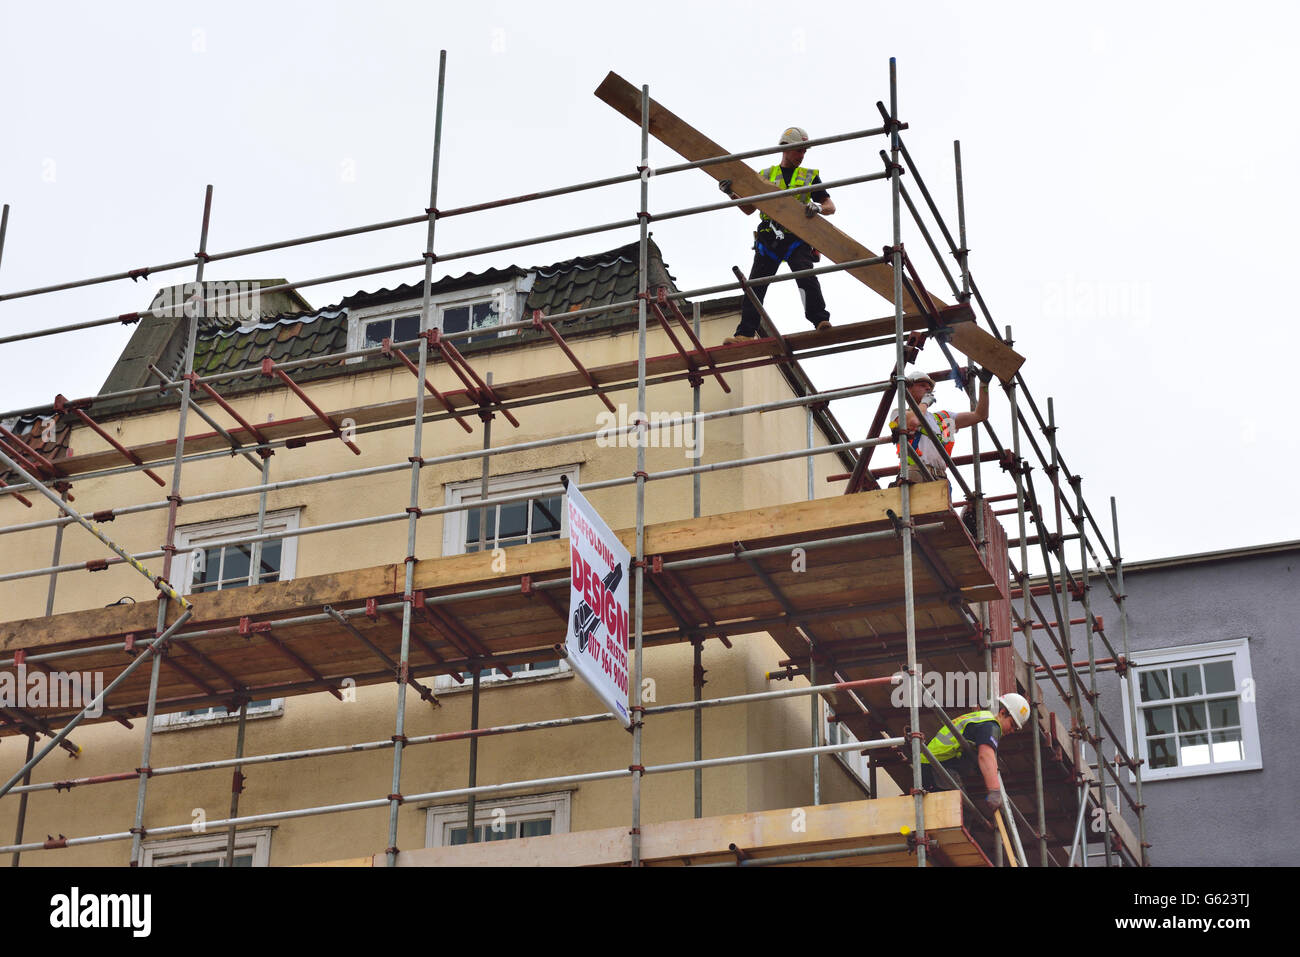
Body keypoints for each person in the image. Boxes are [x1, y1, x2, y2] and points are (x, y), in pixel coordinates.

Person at [719, 126, 836, 345]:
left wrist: (818, 208)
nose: (802, 155)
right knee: (755, 286)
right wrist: (731, 193)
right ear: (785, 148)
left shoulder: (809, 176)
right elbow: (749, 209)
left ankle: (820, 320)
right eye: (798, 151)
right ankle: (745, 333)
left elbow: (830, 206)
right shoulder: (764, 176)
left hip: (797, 237)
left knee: (805, 276)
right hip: (769, 237)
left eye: (804, 152)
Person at [919, 693, 1031, 811]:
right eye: (1012, 724)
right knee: (962, 810)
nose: (1012, 730)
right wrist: (994, 791)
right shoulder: (992, 726)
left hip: (931, 763)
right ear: (1002, 713)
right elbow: (986, 756)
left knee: (958, 809)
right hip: (936, 765)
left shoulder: (981, 719)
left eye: (1015, 729)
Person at [890, 369, 990, 484]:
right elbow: (914, 421)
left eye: (929, 387)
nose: (928, 389)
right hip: (915, 473)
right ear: (908, 389)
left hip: (941, 476)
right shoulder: (899, 413)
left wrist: (984, 385)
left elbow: (980, 415)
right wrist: (925, 403)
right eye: (922, 385)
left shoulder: (944, 418)